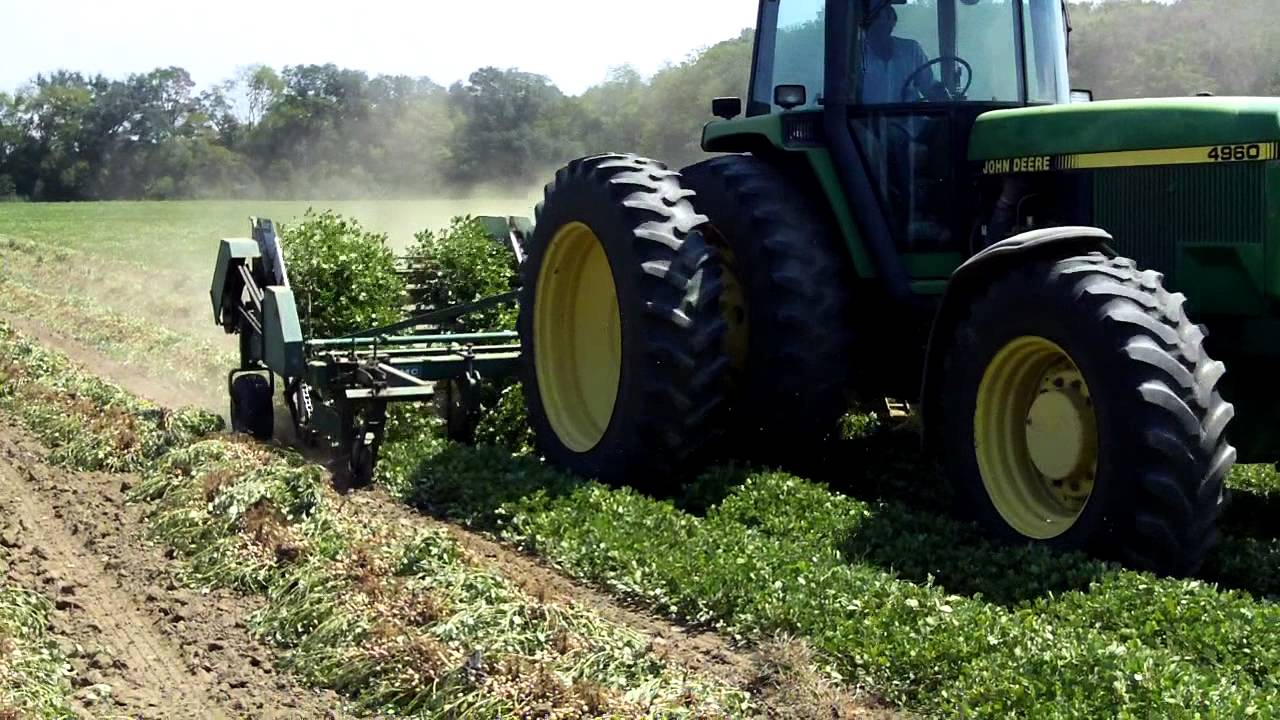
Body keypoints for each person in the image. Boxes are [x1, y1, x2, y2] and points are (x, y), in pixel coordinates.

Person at [859, 3, 935, 104]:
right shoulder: (854, 57)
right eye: (876, 16)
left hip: (910, 118)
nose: (883, 22)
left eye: (887, 15)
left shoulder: (911, 50)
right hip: (867, 119)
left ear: (893, 21)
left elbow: (930, 86)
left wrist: (948, 101)